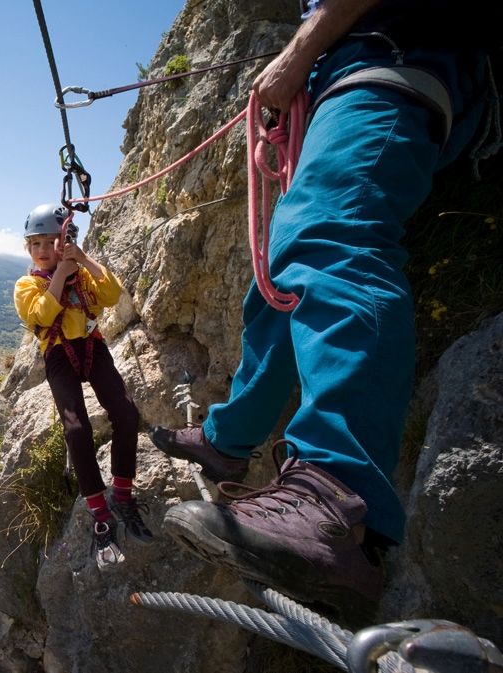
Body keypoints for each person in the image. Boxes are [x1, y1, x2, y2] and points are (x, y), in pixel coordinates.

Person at [149, 0, 495, 621]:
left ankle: (337, 499)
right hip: (368, 70)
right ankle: (229, 439)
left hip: (396, 56)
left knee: (329, 236)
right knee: (281, 277)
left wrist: (299, 52)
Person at [15, 203, 153, 569]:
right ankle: (99, 510)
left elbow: (111, 294)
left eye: (51, 242)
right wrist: (61, 271)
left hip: (92, 346)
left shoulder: (84, 276)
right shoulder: (27, 284)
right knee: (76, 428)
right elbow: (42, 314)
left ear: (65, 241)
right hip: (59, 354)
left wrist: (84, 260)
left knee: (126, 412)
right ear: (29, 249)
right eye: (36, 244)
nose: (43, 250)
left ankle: (122, 493)